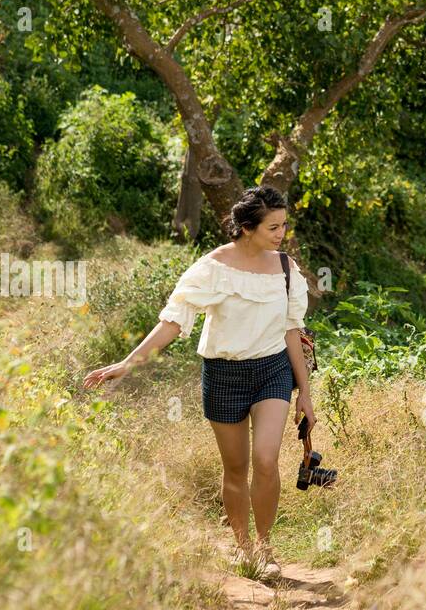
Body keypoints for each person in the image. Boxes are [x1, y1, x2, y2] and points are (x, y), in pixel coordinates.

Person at [83, 186, 315, 578]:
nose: (281, 234)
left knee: (266, 458)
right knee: (236, 467)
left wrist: (305, 393)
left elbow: (293, 331)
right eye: (273, 227)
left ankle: (265, 546)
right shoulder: (211, 268)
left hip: (272, 371)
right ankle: (242, 547)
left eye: (284, 225)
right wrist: (128, 362)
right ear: (246, 228)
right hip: (223, 375)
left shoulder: (286, 269)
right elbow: (173, 322)